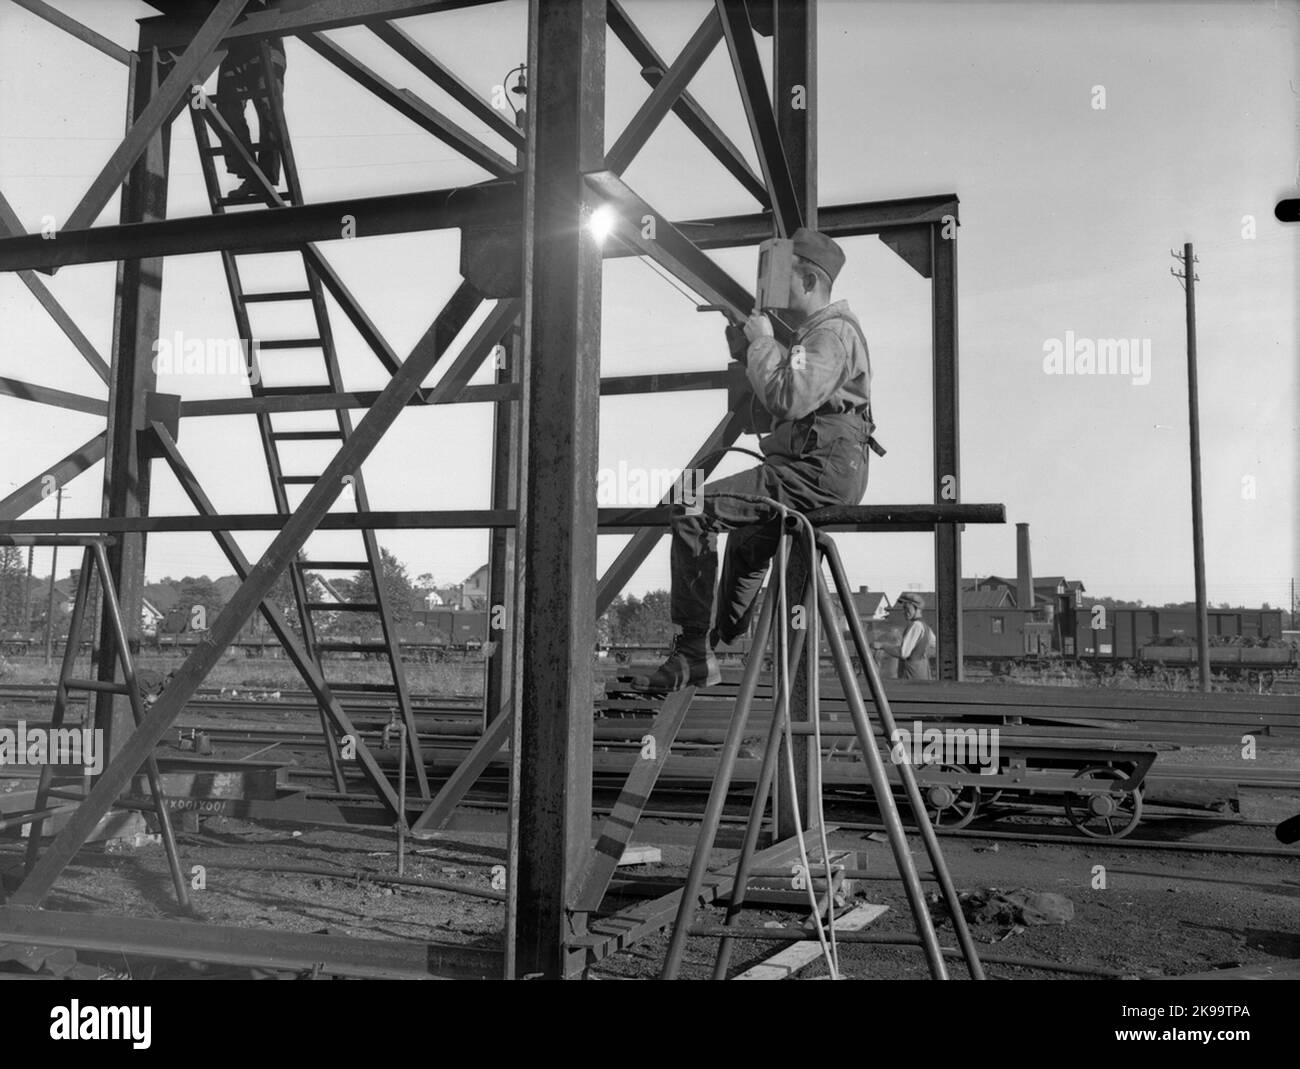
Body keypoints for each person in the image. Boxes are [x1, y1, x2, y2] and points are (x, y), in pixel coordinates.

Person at [640, 227, 875, 692]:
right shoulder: (816, 336)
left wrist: (764, 344)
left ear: (808, 281)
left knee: (693, 505)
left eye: (783, 278)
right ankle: (716, 640)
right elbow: (779, 410)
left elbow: (789, 398)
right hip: (809, 467)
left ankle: (694, 651)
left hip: (817, 472)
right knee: (747, 542)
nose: (772, 291)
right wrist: (749, 349)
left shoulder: (831, 335)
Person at [216, 32, 287, 196]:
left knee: (269, 111)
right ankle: (251, 175)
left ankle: (264, 177)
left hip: (267, 44)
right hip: (235, 48)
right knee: (227, 109)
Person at [872, 592, 935, 679]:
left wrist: (882, 646)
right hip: (922, 670)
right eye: (903, 609)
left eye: (907, 608)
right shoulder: (925, 627)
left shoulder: (915, 626)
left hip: (912, 673)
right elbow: (933, 646)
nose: (904, 612)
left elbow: (903, 653)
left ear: (917, 608)